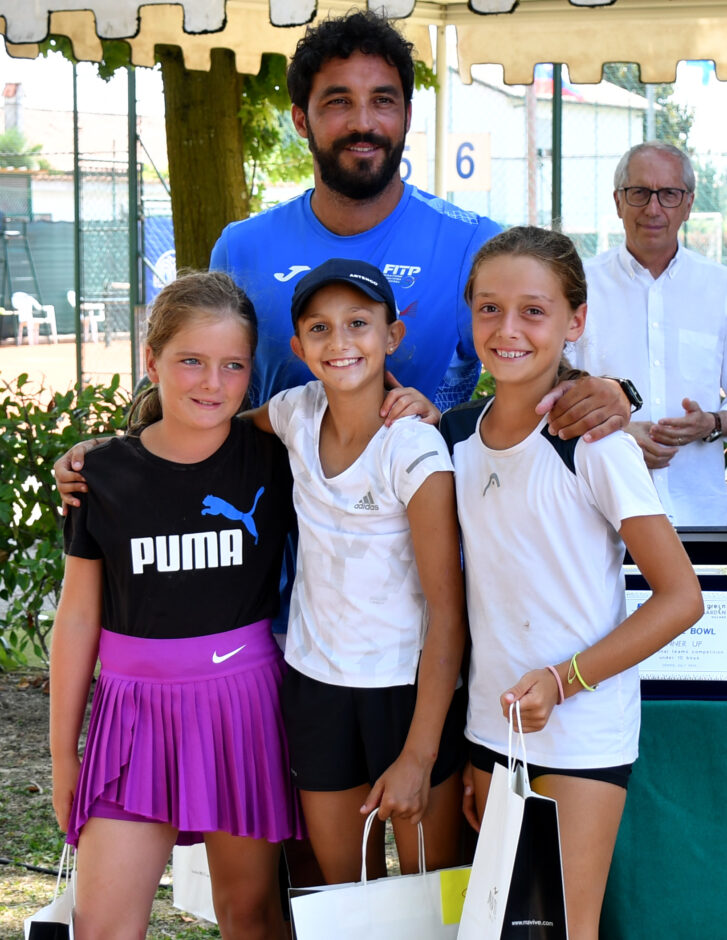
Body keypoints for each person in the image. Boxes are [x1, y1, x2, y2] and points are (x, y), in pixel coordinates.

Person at [440, 226, 703, 939]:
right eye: (488, 308)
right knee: (503, 928)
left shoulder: (592, 440)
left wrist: (563, 680)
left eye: (534, 310)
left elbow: (681, 599)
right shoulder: (456, 438)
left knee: (563, 928)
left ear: (574, 321)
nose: (508, 329)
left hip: (579, 728)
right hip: (496, 729)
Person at [49, 271, 303, 940]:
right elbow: (76, 619)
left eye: (232, 365)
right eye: (191, 360)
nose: (211, 383)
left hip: (242, 707)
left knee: (249, 913)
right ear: (151, 359)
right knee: (101, 925)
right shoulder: (101, 475)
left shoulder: (275, 459)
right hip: (132, 714)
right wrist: (62, 754)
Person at [244, 258, 467, 884]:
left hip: (409, 694)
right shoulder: (294, 411)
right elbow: (213, 434)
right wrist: (118, 446)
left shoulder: (414, 448)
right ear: (297, 346)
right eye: (319, 328)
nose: (339, 343)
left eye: (359, 323)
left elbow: (448, 613)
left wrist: (420, 755)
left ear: (392, 336)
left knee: (432, 895)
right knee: (347, 898)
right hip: (317, 685)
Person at [573, 141, 727, 526]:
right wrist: (618, 435)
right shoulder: (577, 286)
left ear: (689, 203)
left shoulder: (720, 288)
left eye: (669, 194)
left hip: (700, 514)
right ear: (618, 201)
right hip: (602, 517)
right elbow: (549, 398)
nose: (653, 208)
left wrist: (713, 423)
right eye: (639, 192)